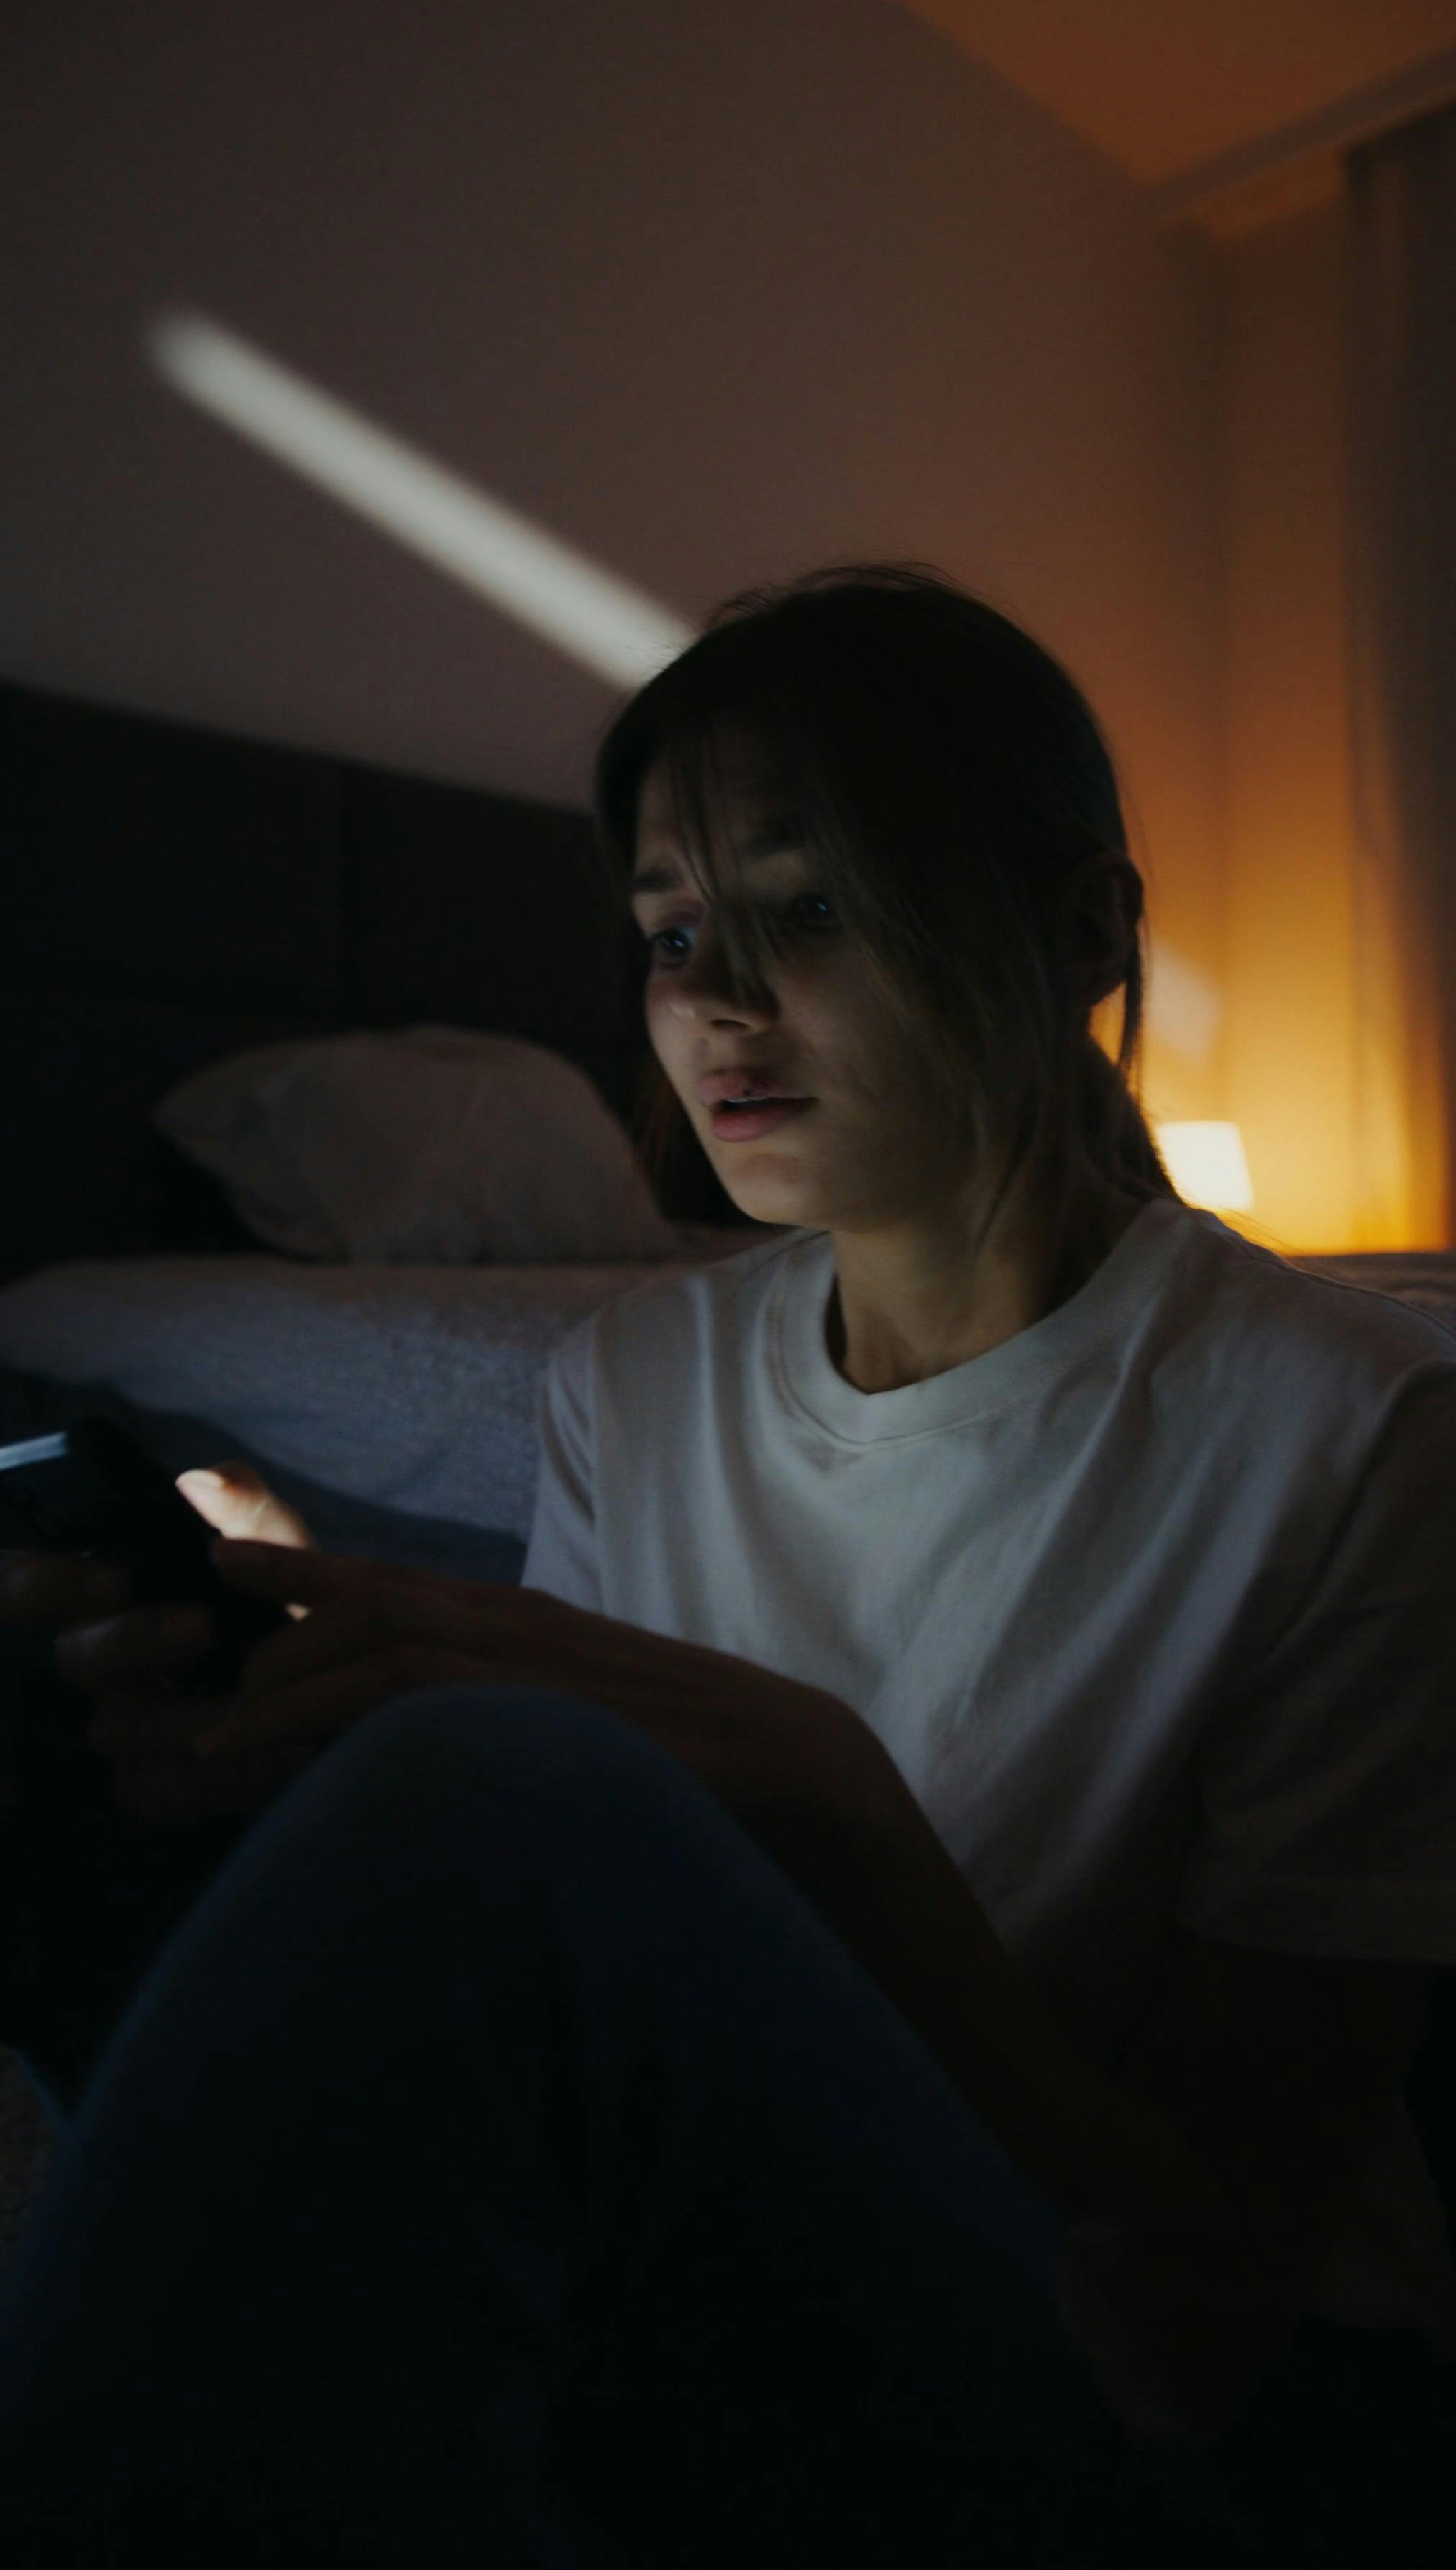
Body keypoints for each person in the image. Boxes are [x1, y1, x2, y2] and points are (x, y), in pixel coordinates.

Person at [1, 562, 1451, 2565]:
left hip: (1156, 2372)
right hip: (729, 2208)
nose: (713, 1004)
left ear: (1082, 931)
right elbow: (589, 1913)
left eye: (811, 912)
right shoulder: (636, 1376)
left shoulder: (1355, 1429)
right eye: (672, 933)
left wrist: (835, 1813)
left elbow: (1217, 2260)